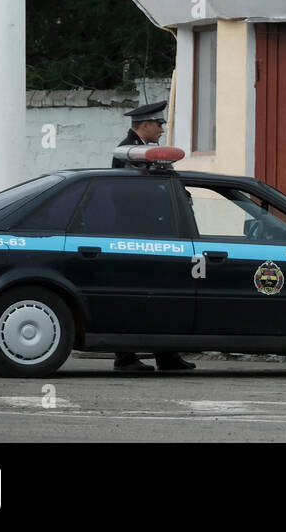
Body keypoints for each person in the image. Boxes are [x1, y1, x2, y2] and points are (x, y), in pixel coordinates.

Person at [110, 101, 196, 373]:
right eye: (158, 124)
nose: (161, 129)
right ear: (145, 125)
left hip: (153, 236)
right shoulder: (129, 151)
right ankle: (125, 357)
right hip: (138, 237)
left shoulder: (145, 151)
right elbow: (131, 196)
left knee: (162, 296)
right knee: (133, 297)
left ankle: (166, 354)